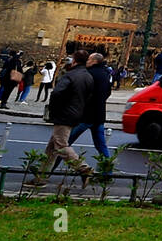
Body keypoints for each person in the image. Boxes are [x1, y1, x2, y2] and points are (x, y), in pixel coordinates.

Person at [27, 50, 94, 185]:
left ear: (74, 61)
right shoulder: (88, 77)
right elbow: (89, 97)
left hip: (64, 113)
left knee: (60, 146)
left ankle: (84, 168)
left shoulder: (70, 75)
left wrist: (54, 110)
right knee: (52, 148)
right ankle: (41, 177)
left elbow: (57, 93)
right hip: (76, 113)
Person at [69, 52, 112, 160]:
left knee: (64, 144)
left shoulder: (89, 74)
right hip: (99, 115)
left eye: (88, 60)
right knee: (101, 146)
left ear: (94, 61)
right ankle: (107, 171)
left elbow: (81, 92)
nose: (86, 61)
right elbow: (108, 92)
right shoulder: (105, 74)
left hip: (86, 115)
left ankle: (49, 170)